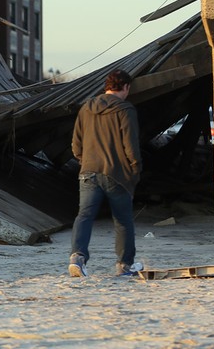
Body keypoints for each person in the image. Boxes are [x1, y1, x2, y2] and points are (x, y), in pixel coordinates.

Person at [69, 68, 143, 278]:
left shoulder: (86, 108)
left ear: (107, 87)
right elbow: (131, 145)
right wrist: (135, 169)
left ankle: (77, 257)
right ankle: (124, 265)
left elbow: (76, 144)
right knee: (123, 221)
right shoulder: (125, 110)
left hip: (88, 172)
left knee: (84, 215)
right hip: (117, 174)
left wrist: (85, 160)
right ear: (126, 87)